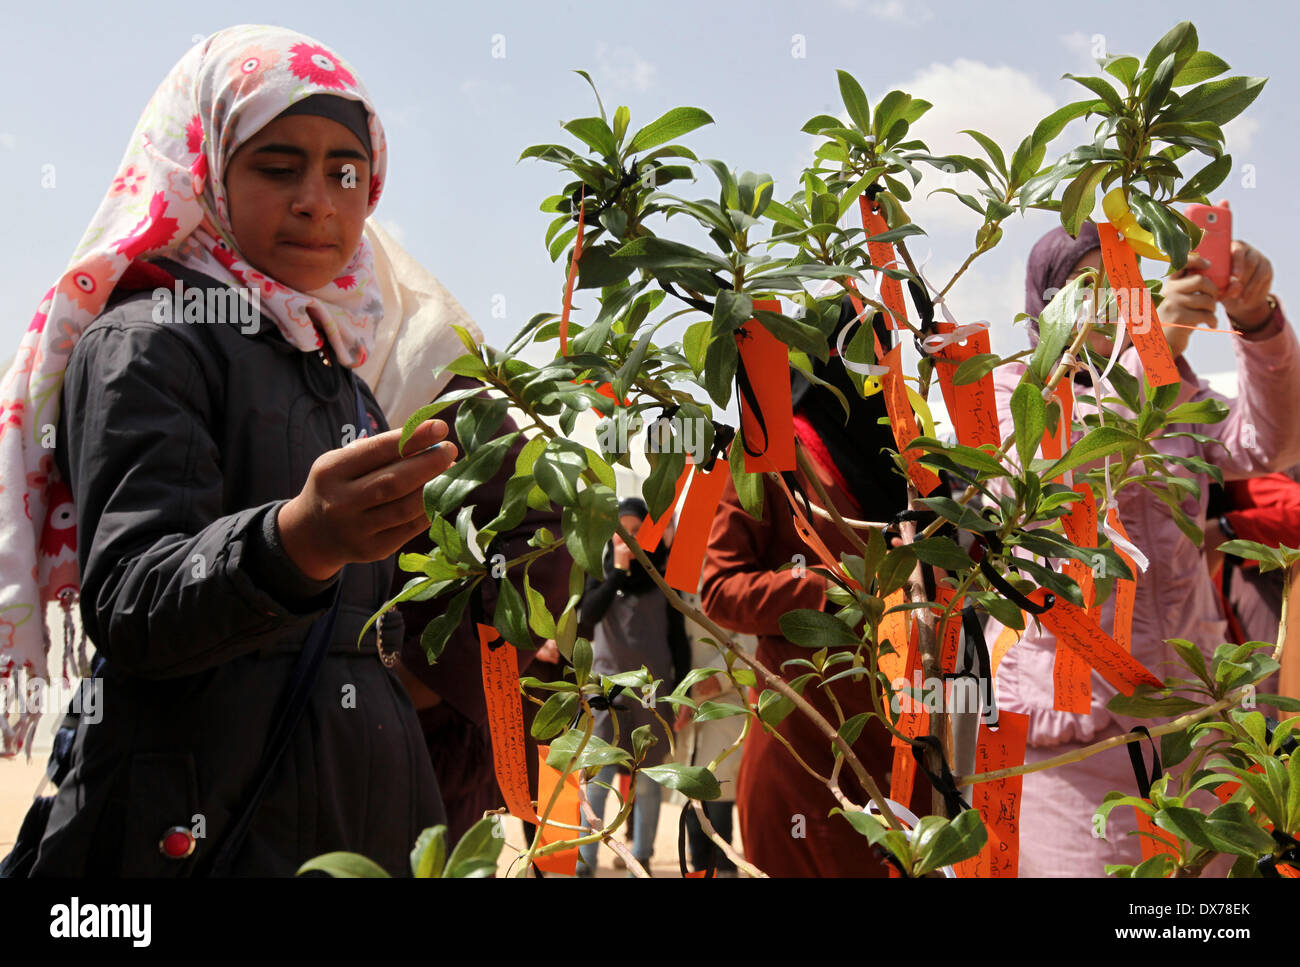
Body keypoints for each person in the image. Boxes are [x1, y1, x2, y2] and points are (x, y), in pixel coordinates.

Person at [2, 25, 455, 876]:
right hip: (203, 818)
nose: (318, 199)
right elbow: (134, 600)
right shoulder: (152, 341)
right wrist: (299, 539)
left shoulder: (342, 370)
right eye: (277, 166)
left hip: (361, 821)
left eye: (345, 171)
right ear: (204, 170)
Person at [987, 219, 1300, 877]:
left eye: (1128, 281)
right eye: (1089, 283)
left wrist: (1257, 323)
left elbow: (1272, 446)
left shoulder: (1176, 391)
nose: (1114, 300)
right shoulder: (1013, 391)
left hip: (1189, 720)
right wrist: (1154, 351)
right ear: (1046, 305)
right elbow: (1062, 482)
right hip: (1076, 743)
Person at [699, 297, 932, 877]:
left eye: (882, 352)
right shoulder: (773, 454)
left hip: (906, 739)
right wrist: (828, 588)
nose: (876, 369)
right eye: (859, 353)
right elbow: (719, 588)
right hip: (809, 741)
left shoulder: (913, 458)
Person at [575, 499, 689, 875]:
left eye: (636, 532)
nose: (627, 539)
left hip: (653, 690)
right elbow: (586, 617)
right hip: (606, 688)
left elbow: (679, 641)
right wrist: (617, 575)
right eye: (620, 531)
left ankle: (642, 856)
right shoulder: (600, 570)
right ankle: (586, 859)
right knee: (598, 776)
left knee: (649, 778)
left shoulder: (664, 575)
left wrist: (682, 694)